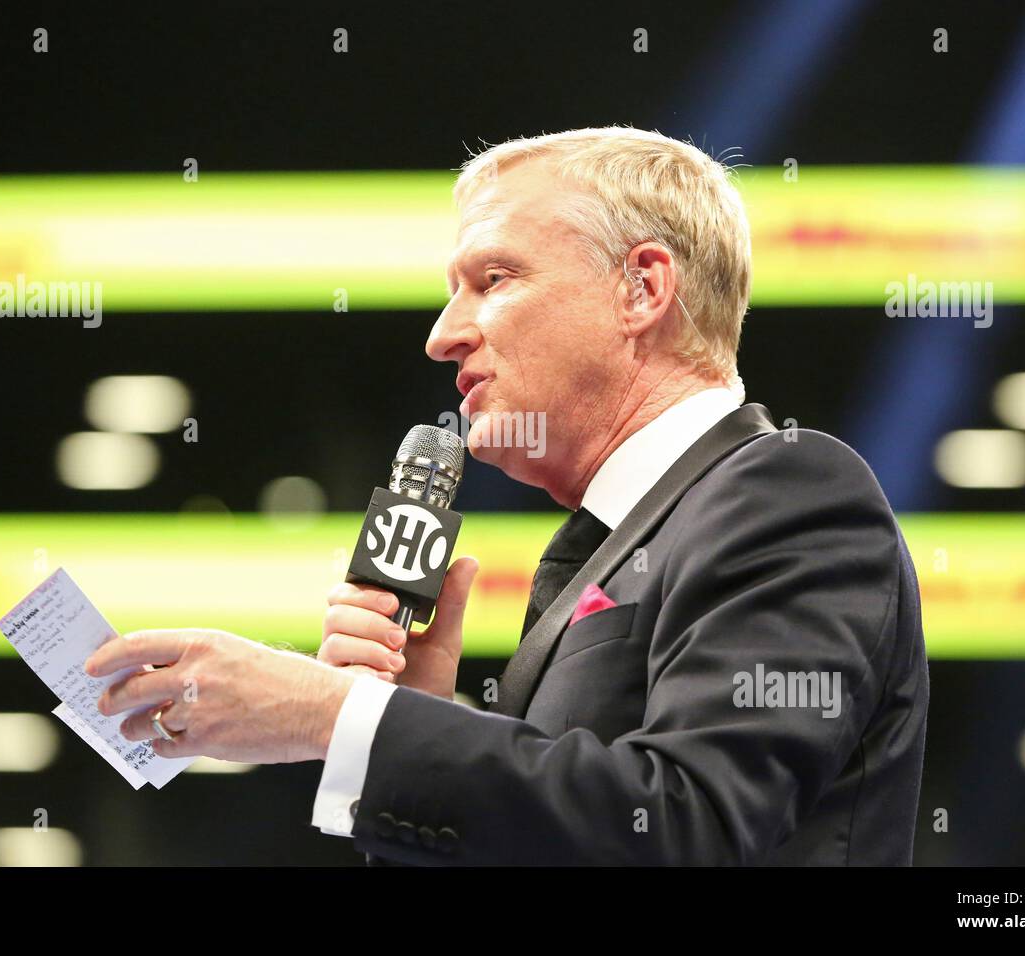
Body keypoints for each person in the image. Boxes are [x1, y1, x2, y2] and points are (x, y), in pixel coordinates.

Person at [87, 127, 929, 865]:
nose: (443, 334)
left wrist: (337, 716)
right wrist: (409, 718)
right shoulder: (610, 542)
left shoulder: (788, 489)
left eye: (493, 279)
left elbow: (690, 826)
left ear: (643, 288)